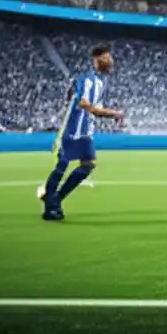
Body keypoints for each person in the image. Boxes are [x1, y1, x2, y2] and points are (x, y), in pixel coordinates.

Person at [39, 44, 123, 221]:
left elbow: (94, 108)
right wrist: (114, 113)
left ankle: (54, 200)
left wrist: (108, 114)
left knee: (82, 165)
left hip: (85, 131)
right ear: (97, 59)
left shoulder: (100, 83)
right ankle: (51, 205)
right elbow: (85, 105)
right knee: (67, 165)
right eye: (107, 57)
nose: (111, 61)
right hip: (75, 129)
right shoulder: (88, 80)